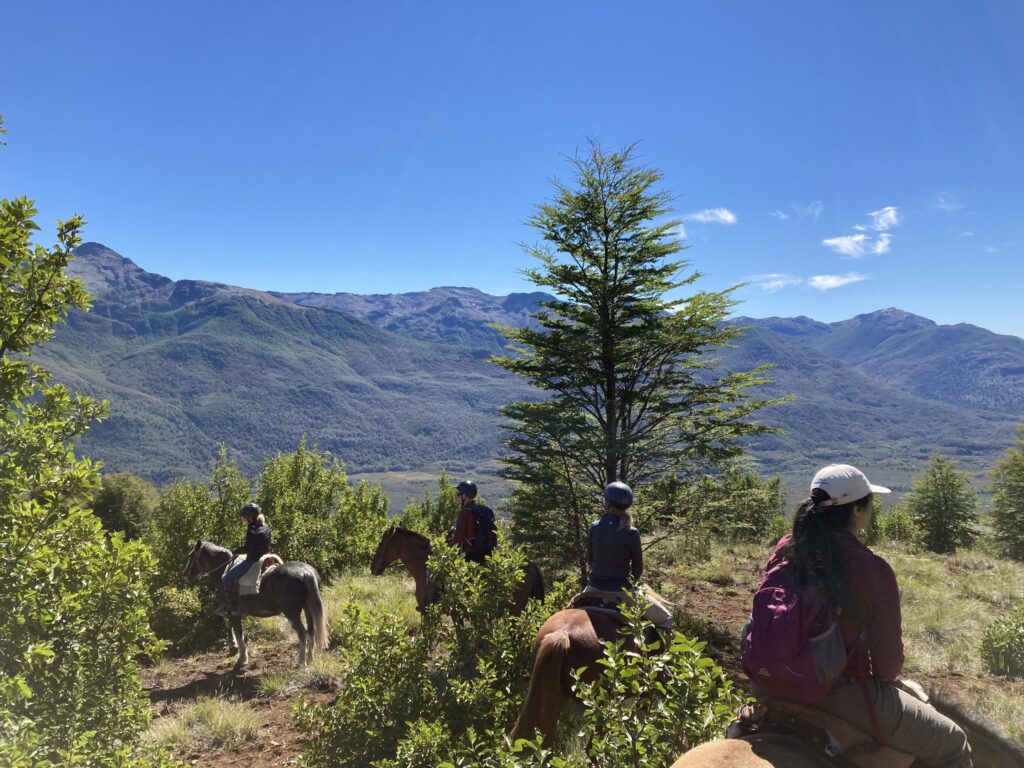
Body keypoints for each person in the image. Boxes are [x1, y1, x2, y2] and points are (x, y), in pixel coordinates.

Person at [745, 464, 971, 768]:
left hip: (765, 682)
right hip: (837, 690)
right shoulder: (872, 569)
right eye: (869, 503)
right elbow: (886, 666)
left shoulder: (787, 547)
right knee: (953, 743)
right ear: (856, 511)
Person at [584, 481, 672, 632]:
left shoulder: (594, 527)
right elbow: (637, 569)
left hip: (593, 589)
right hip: (622, 591)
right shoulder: (632, 532)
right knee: (666, 619)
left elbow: (590, 560)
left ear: (607, 502)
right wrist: (631, 585)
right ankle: (653, 655)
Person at [215, 502, 272, 617]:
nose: (244, 519)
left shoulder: (252, 529)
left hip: (253, 559)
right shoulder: (264, 525)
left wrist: (235, 551)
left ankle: (233, 606)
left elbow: (247, 548)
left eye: (245, 517)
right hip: (266, 555)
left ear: (249, 516)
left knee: (227, 578)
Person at [449, 480, 496, 563]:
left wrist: (445, 550)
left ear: (464, 496)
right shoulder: (484, 509)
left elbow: (457, 539)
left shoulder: (465, 512)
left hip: (470, 556)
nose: (456, 498)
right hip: (487, 554)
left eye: (458, 494)